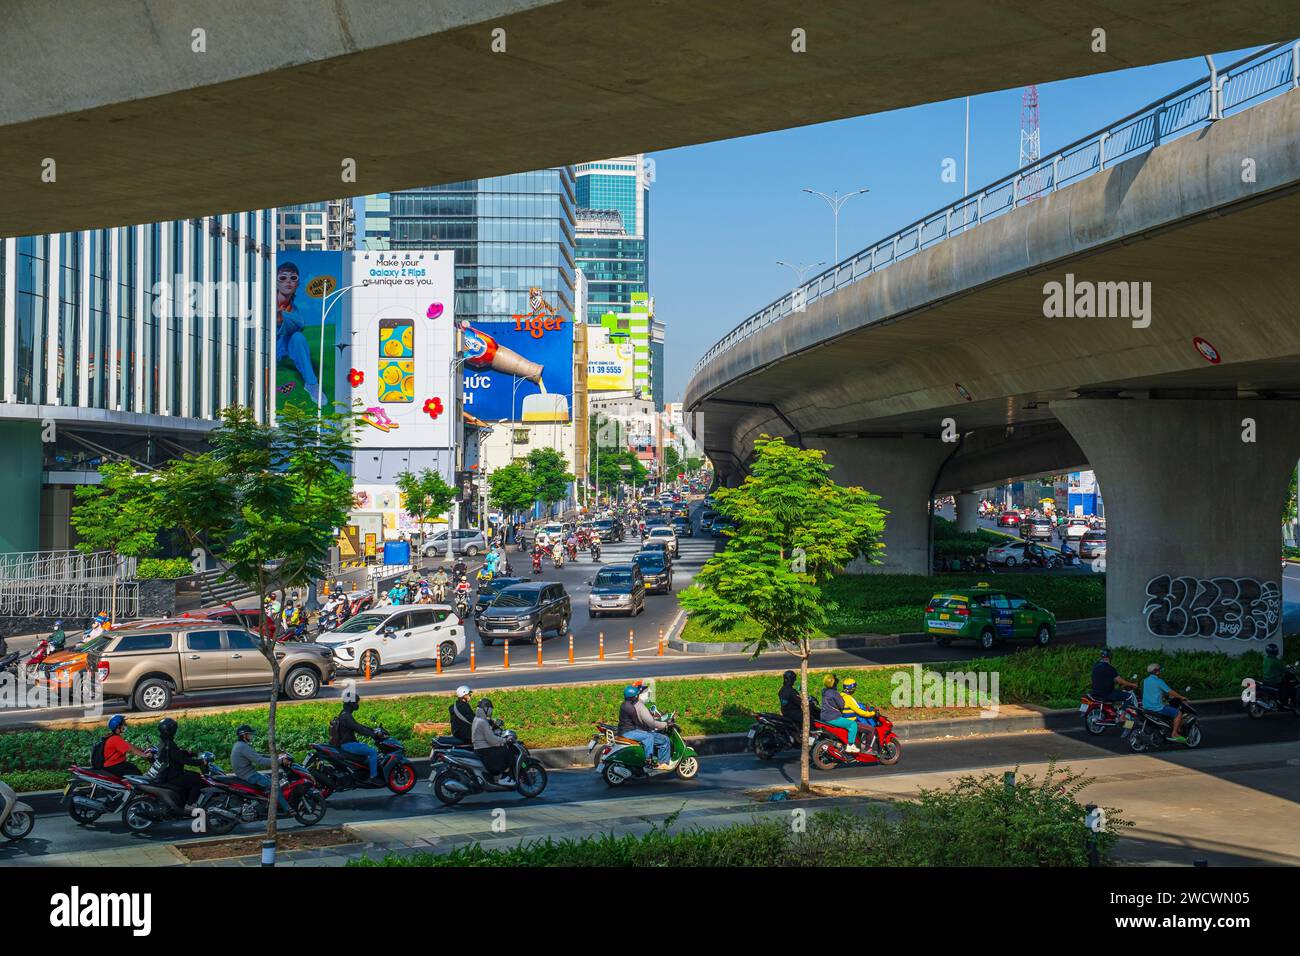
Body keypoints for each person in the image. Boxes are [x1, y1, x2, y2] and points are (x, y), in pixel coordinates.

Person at [274, 261, 323, 405]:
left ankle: (312, 384)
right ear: (275, 282)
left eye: (293, 278)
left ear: (297, 283)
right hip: (266, 349)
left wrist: (281, 315)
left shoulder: (294, 309)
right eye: (283, 278)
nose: (288, 282)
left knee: (298, 337)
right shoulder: (267, 302)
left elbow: (300, 324)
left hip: (283, 347)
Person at [231, 724, 291, 812]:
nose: (252, 736)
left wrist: (276, 756)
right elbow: (260, 761)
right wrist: (280, 761)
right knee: (275, 785)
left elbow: (257, 755)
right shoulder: (242, 747)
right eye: (250, 734)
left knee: (268, 778)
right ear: (244, 735)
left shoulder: (239, 745)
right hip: (249, 775)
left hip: (246, 773)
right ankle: (287, 808)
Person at [152, 717, 208, 808]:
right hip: (173, 776)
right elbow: (182, 760)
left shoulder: (164, 742)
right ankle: (189, 805)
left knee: (195, 775)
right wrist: (201, 762)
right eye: (174, 729)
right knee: (199, 781)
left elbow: (177, 754)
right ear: (170, 731)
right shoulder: (169, 744)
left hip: (170, 774)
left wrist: (190, 753)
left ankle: (184, 800)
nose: (175, 731)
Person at [617, 684, 671, 769]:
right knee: (648, 736)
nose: (637, 696)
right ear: (633, 697)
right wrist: (650, 727)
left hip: (624, 730)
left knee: (648, 735)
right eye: (636, 695)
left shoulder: (624, 704)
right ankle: (649, 761)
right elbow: (638, 722)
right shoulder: (631, 708)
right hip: (628, 732)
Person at [335, 698, 383, 781]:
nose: (357, 704)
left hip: (346, 744)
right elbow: (359, 729)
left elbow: (358, 726)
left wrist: (371, 730)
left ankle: (364, 773)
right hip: (348, 745)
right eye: (356, 702)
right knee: (372, 752)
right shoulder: (347, 717)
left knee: (365, 747)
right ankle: (373, 777)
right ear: (351, 704)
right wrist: (373, 735)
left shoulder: (344, 714)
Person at [471, 698, 515, 786]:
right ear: (485, 708)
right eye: (490, 708)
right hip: (484, 749)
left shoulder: (477, 719)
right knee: (506, 751)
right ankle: (502, 778)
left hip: (480, 748)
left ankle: (496, 776)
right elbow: (491, 739)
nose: (491, 711)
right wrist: (504, 740)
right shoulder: (482, 721)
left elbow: (487, 733)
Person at [1141, 663, 1186, 742]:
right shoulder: (1159, 681)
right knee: (1178, 713)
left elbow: (1153, 691)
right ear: (1157, 672)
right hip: (1157, 708)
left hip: (1146, 707)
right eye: (1160, 670)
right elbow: (1170, 692)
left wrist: (1163, 696)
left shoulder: (1145, 680)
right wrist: (1181, 697)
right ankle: (1174, 733)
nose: (1161, 671)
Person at [820, 674, 860, 753]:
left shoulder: (824, 691)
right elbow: (842, 705)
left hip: (823, 716)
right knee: (853, 724)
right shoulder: (834, 693)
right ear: (834, 683)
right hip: (833, 717)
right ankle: (850, 745)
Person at [840, 678, 879, 753]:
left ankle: (858, 746)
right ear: (852, 689)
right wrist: (872, 713)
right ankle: (868, 749)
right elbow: (860, 712)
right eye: (854, 688)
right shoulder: (849, 698)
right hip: (851, 721)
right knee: (871, 729)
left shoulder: (840, 695)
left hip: (843, 720)